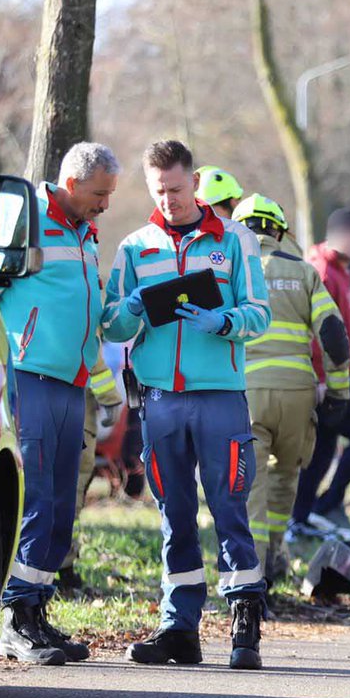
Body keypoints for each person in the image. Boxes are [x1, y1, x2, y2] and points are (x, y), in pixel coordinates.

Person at [104, 140, 271, 668]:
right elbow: (111, 323)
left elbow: (260, 313)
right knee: (173, 515)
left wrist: (224, 322)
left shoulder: (237, 241)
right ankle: (179, 628)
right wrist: (131, 309)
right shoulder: (135, 247)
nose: (170, 200)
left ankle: (245, 623)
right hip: (160, 399)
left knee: (229, 508)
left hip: (220, 397)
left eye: (176, 189)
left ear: (194, 182)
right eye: (159, 191)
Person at [0, 141, 120, 665]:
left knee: (63, 506)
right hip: (30, 379)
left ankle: (35, 613)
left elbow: (88, 319)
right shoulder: (21, 219)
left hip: (72, 386)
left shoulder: (86, 233)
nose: (105, 205)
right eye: (98, 194)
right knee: (37, 500)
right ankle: (11, 620)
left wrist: (106, 389)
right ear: (71, 184)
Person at [233, 194, 350, 578]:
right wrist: (338, 392)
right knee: (285, 477)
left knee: (251, 485)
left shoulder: (231, 272)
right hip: (297, 394)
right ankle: (275, 560)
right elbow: (334, 335)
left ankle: (252, 575)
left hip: (246, 393)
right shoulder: (303, 272)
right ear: (279, 230)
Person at [291, 209, 350, 536]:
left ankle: (301, 517)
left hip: (334, 375)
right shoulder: (324, 272)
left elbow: (344, 317)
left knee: (323, 450)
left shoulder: (340, 271)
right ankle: (324, 505)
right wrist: (321, 378)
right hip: (328, 378)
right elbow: (318, 330)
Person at [57, 351, 123, 593]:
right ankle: (61, 568)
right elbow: (87, 347)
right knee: (69, 491)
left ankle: (57, 567)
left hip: (51, 397)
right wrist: (109, 396)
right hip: (75, 405)